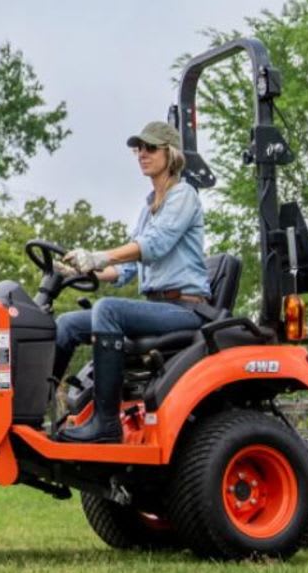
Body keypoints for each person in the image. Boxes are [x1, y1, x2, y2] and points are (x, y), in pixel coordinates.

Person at [55, 120, 210, 443]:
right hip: (156, 307)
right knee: (67, 323)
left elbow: (154, 246)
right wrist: (82, 270)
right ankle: (31, 415)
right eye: (138, 148)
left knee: (107, 310)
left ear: (171, 154)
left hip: (184, 308)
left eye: (150, 148)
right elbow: (123, 271)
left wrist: (100, 255)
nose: (142, 154)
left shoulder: (184, 196)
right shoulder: (147, 206)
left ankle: (106, 423)